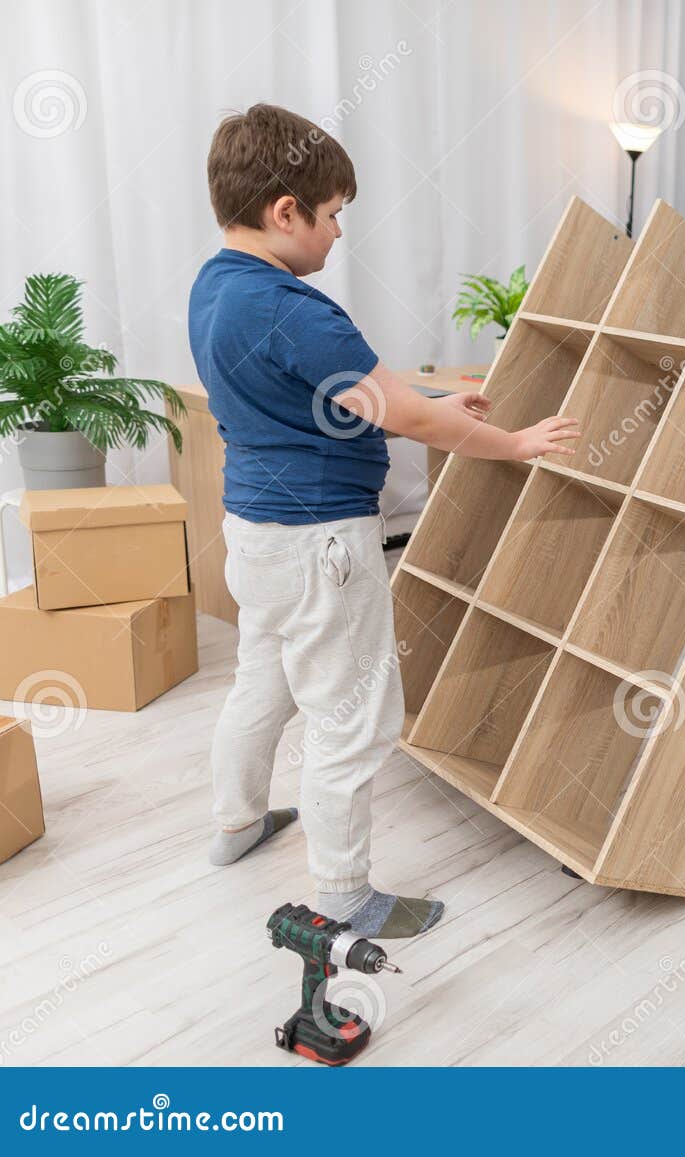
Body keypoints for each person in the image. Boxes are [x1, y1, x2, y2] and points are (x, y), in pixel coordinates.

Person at [188, 104, 579, 938]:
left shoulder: (216, 286)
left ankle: (236, 823)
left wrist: (428, 397)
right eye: (331, 216)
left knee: (262, 682)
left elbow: (346, 390)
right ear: (284, 211)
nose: (336, 236)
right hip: (322, 543)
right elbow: (404, 418)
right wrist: (511, 440)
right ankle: (343, 895)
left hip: (254, 535)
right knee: (352, 718)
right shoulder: (297, 310)